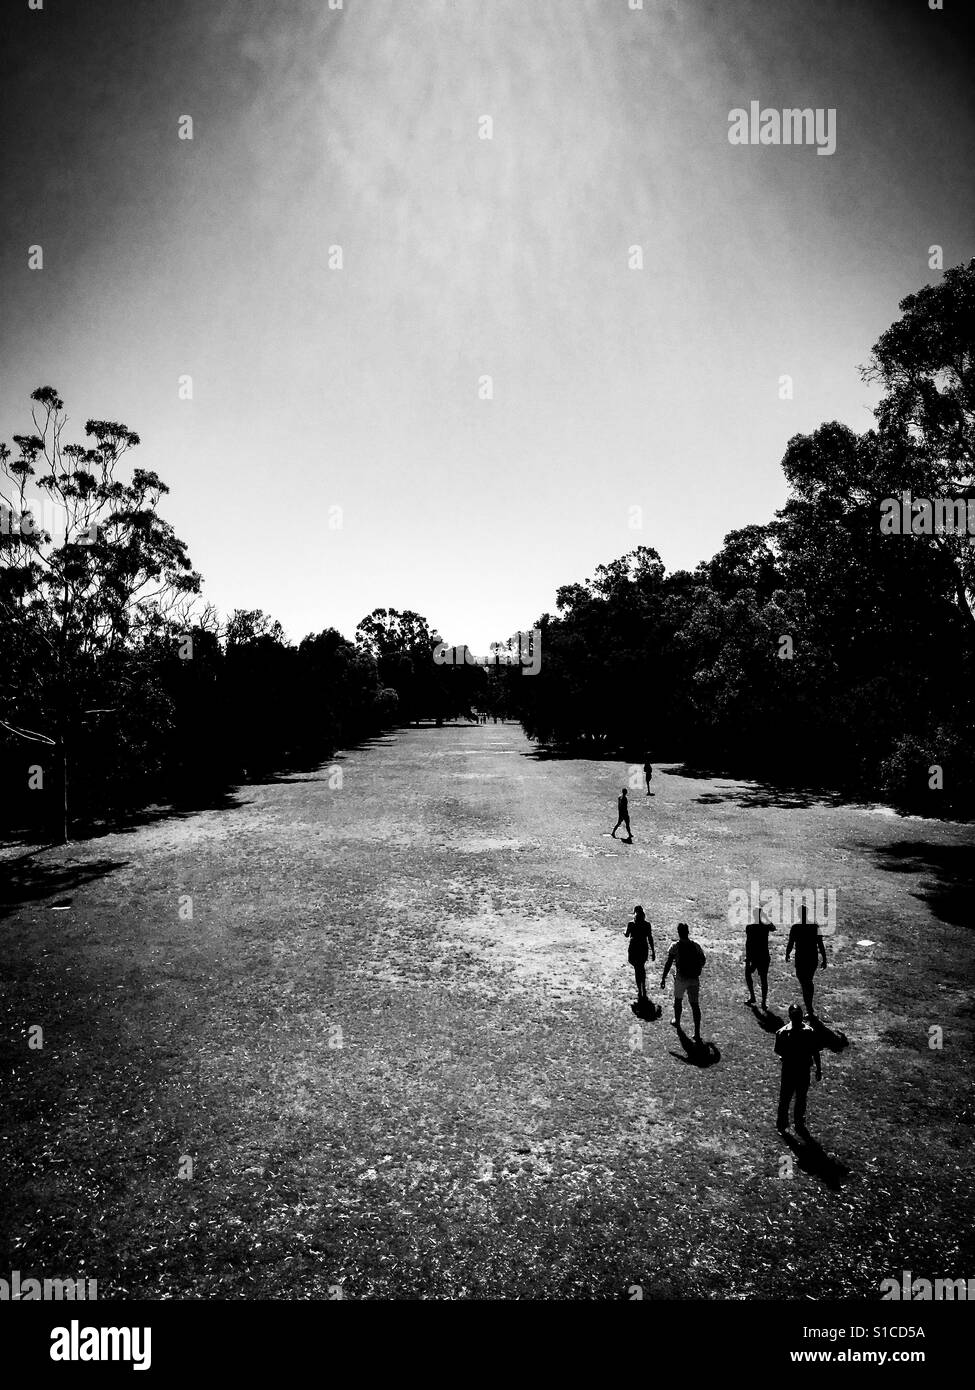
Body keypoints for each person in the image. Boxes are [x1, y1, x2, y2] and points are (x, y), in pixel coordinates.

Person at [774, 1003, 822, 1133]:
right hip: (796, 1070)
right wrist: (818, 1068)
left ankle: (793, 1122)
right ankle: (786, 1122)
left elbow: (815, 1051)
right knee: (789, 1097)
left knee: (797, 1097)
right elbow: (815, 1052)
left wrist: (818, 1068)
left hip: (796, 1069)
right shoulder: (786, 1033)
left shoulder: (785, 1032)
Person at [660, 923, 706, 1043]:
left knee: (678, 1000)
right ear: (688, 932)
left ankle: (677, 1021)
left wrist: (663, 977)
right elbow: (703, 960)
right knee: (695, 1005)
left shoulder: (675, 946)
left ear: (678, 932)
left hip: (681, 978)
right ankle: (697, 1032)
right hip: (694, 979)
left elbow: (669, 963)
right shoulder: (695, 945)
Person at [786, 906, 828, 1017]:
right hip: (812, 958)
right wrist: (824, 958)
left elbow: (791, 943)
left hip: (801, 958)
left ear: (799, 914)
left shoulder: (795, 928)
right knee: (807, 981)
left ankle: (809, 1009)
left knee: (805, 982)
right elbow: (820, 944)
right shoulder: (814, 927)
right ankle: (809, 1009)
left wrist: (787, 954)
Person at [745, 906, 776, 1011]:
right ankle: (763, 1002)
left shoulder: (750, 927)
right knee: (764, 979)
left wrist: (748, 958)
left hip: (754, 956)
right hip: (764, 955)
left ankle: (753, 996)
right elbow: (773, 927)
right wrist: (765, 918)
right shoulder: (765, 926)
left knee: (748, 974)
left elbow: (748, 944)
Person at [625, 905, 655, 1002]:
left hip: (634, 948)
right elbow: (650, 938)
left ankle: (639, 988)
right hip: (643, 947)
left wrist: (623, 933)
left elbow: (626, 935)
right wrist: (653, 951)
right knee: (641, 967)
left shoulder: (631, 924)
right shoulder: (647, 925)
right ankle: (643, 985)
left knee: (637, 969)